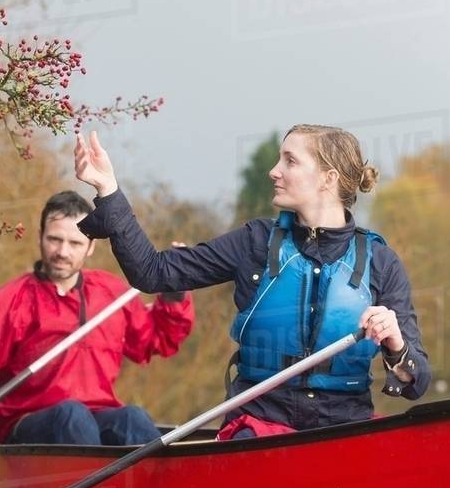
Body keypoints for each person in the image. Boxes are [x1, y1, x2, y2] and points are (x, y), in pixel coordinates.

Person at [74, 126, 430, 437]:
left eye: (290, 161)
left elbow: (418, 382)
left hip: (344, 427)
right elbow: (153, 272)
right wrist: (108, 189)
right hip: (260, 423)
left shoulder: (381, 262)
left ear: (328, 178)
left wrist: (396, 345)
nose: (274, 171)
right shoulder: (256, 241)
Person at [0, 190, 194, 446]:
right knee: (71, 415)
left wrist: (174, 293)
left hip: (94, 417)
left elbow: (157, 340)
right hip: (24, 422)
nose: (63, 252)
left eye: (75, 243)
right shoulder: (12, 301)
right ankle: (96, 484)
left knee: (132, 418)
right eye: (54, 240)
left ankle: (156, 485)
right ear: (40, 238)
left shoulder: (112, 295)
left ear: (91, 247)